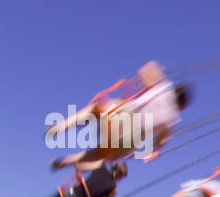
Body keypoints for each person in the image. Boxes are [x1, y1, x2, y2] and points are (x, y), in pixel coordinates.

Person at [47, 61, 190, 170]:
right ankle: (64, 162)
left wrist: (146, 79)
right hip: (127, 141)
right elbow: (159, 144)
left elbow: (147, 69)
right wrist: (153, 153)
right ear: (182, 106)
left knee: (94, 110)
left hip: (122, 117)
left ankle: (60, 127)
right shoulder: (173, 121)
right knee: (101, 155)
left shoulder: (163, 87)